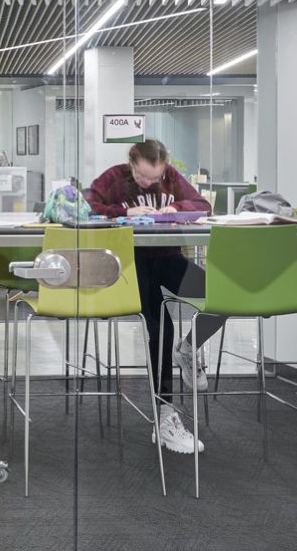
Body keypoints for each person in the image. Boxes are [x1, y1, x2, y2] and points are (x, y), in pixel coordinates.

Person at [84, 138, 216, 455]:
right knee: (160, 328)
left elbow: (203, 206)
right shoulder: (113, 178)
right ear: (132, 164)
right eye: (143, 178)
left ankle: (187, 350)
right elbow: (87, 207)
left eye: (155, 179)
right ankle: (165, 415)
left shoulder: (170, 176)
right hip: (131, 263)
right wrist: (123, 211)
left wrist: (175, 207)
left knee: (221, 297)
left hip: (167, 257)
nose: (149, 183)